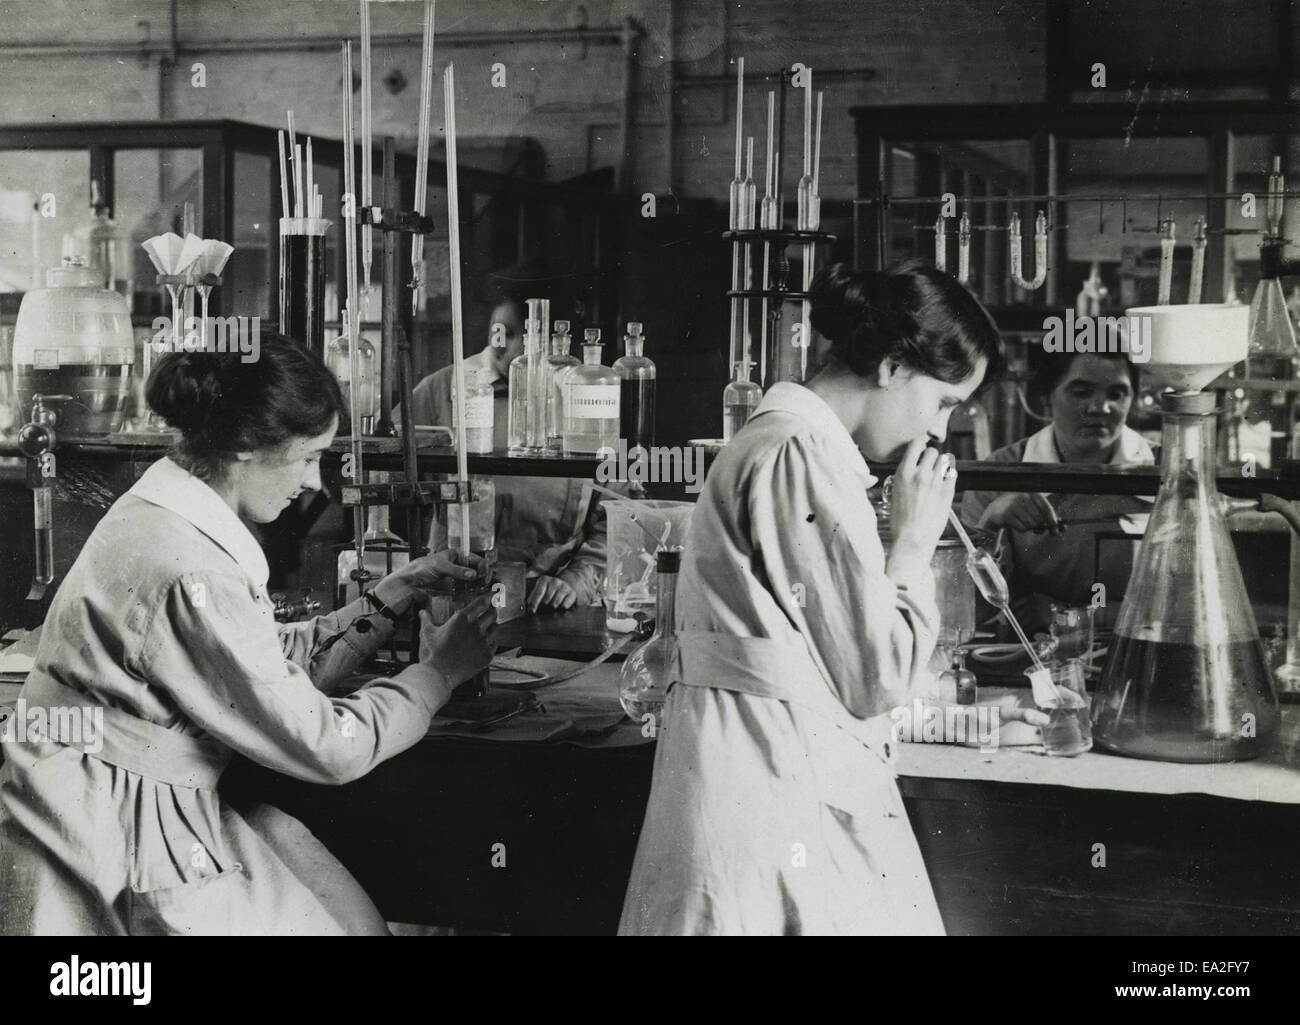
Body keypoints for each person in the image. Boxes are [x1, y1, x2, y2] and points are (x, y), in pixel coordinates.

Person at [0, 336, 498, 936]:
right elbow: (324, 744)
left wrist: (400, 591)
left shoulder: (167, 511)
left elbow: (256, 666)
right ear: (243, 446)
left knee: (355, 920)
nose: (317, 482)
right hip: (109, 827)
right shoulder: (189, 565)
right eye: (308, 456)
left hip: (112, 789)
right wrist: (438, 674)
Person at [618, 261, 1044, 936]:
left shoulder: (795, 445)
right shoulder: (799, 455)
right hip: (763, 787)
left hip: (759, 776)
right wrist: (911, 545)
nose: (938, 431)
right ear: (893, 366)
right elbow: (876, 678)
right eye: (942, 402)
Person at [402, 261, 613, 612]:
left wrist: (576, 580)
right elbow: (379, 471)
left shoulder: (588, 399)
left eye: (522, 335)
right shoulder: (444, 389)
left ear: (555, 340)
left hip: (549, 603)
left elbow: (618, 511)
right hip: (455, 597)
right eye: (501, 332)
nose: (506, 347)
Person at [960, 350, 1153, 633]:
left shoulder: (1165, 472)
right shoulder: (998, 474)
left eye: (1116, 394)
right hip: (1030, 658)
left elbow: (1184, 605)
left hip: (1135, 648)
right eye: (1082, 392)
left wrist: (1071, 617)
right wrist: (991, 523)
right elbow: (966, 611)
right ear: (1046, 398)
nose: (1100, 407)